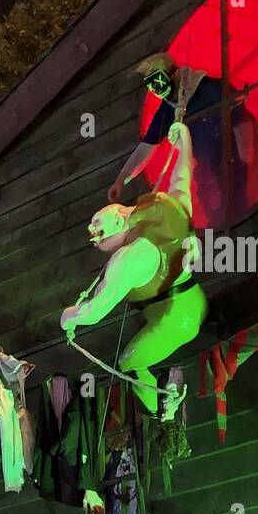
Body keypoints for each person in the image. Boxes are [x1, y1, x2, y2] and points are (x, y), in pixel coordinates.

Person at [62, 121, 206, 418]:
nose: (96, 240)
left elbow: (96, 310)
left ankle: (163, 410)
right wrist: (184, 145)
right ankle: (167, 384)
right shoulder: (163, 215)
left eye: (98, 236)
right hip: (192, 301)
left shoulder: (130, 258)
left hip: (175, 319)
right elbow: (181, 181)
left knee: (130, 364)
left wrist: (69, 319)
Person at [108, 52, 258, 226]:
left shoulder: (209, 88)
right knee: (214, 206)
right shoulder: (168, 108)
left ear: (175, 75)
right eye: (152, 86)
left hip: (233, 156)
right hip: (207, 164)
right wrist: (122, 179)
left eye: (159, 80)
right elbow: (147, 146)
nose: (157, 89)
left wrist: (247, 156)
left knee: (239, 199)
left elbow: (240, 119)